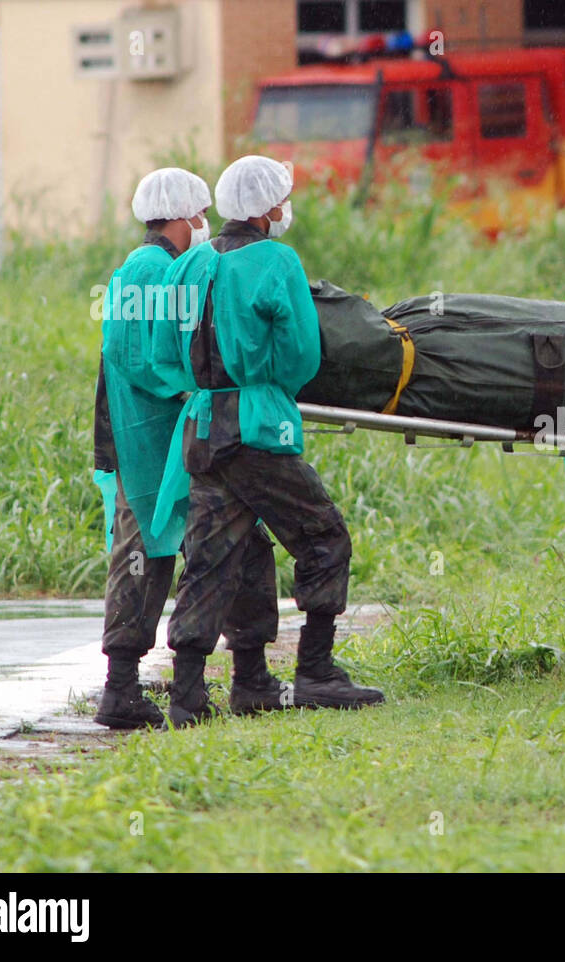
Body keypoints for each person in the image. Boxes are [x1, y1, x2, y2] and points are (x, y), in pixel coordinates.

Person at [149, 155, 384, 727]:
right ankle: (317, 673)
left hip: (202, 430)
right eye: (282, 200)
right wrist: (263, 382)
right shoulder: (277, 261)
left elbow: (162, 352)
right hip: (258, 426)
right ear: (268, 208)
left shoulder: (190, 266)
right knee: (324, 537)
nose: (286, 210)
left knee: (212, 559)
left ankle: (191, 695)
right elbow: (302, 354)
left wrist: (206, 386)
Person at [92, 167, 286, 729]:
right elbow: (138, 357)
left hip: (165, 435)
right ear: (183, 217)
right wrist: (195, 385)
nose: (205, 225)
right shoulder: (148, 272)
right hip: (157, 440)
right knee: (157, 553)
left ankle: (238, 676)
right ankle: (125, 689)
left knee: (198, 547)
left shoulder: (154, 270)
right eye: (201, 214)